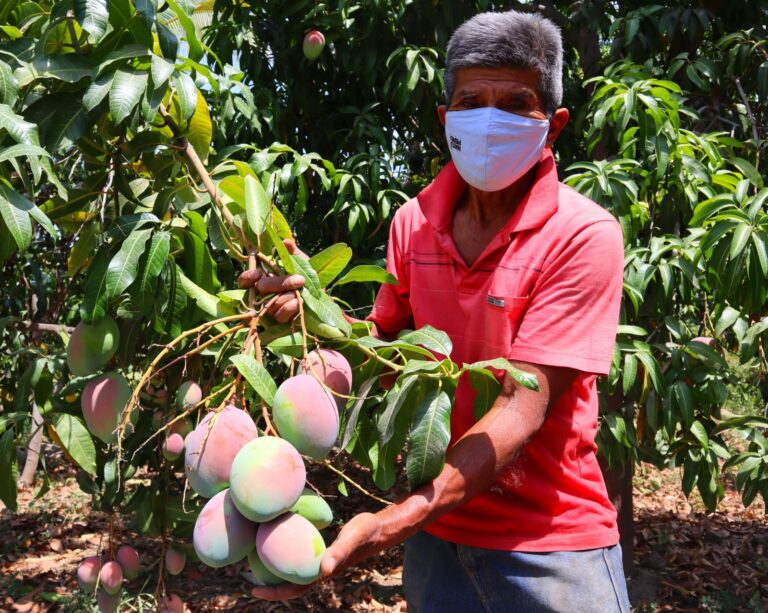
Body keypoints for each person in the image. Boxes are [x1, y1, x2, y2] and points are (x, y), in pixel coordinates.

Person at [240, 9, 630, 612]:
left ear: (552, 126)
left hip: (550, 547)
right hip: (437, 539)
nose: (489, 119)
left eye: (515, 102)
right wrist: (310, 310)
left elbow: (520, 406)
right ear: (447, 120)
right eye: (472, 100)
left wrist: (393, 522)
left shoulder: (583, 234)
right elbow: (382, 349)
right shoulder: (412, 224)